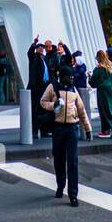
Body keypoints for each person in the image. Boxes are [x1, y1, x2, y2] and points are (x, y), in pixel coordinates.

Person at [41, 64, 92, 204]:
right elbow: (43, 101)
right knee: (59, 159)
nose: (72, 78)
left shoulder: (73, 90)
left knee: (73, 161)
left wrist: (87, 128)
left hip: (72, 128)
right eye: (69, 76)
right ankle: (60, 185)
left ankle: (73, 194)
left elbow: (81, 110)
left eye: (72, 76)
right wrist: (54, 104)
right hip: (58, 128)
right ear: (62, 77)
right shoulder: (53, 88)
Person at [89, 50, 112, 137]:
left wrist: (90, 75)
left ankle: (107, 130)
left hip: (103, 91)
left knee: (104, 110)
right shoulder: (111, 65)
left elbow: (92, 82)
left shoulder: (99, 68)